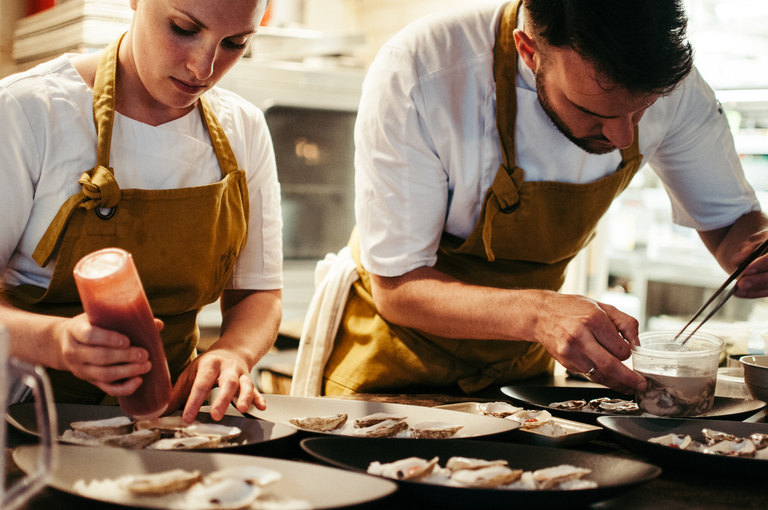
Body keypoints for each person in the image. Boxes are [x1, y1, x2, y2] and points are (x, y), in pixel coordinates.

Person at [313, 0, 768, 396]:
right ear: (529, 52)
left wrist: (753, 251)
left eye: (641, 110)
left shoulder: (673, 84)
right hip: (394, 365)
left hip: (520, 377)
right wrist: (539, 313)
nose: (622, 136)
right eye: (592, 111)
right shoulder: (425, 69)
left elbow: (733, 226)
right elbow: (398, 289)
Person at [0, 0, 283, 422]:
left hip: (170, 423)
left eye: (235, 43)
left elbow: (258, 293)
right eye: (183, 28)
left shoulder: (244, 127)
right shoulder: (27, 111)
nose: (203, 68)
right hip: (26, 420)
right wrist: (56, 341)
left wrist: (234, 351)